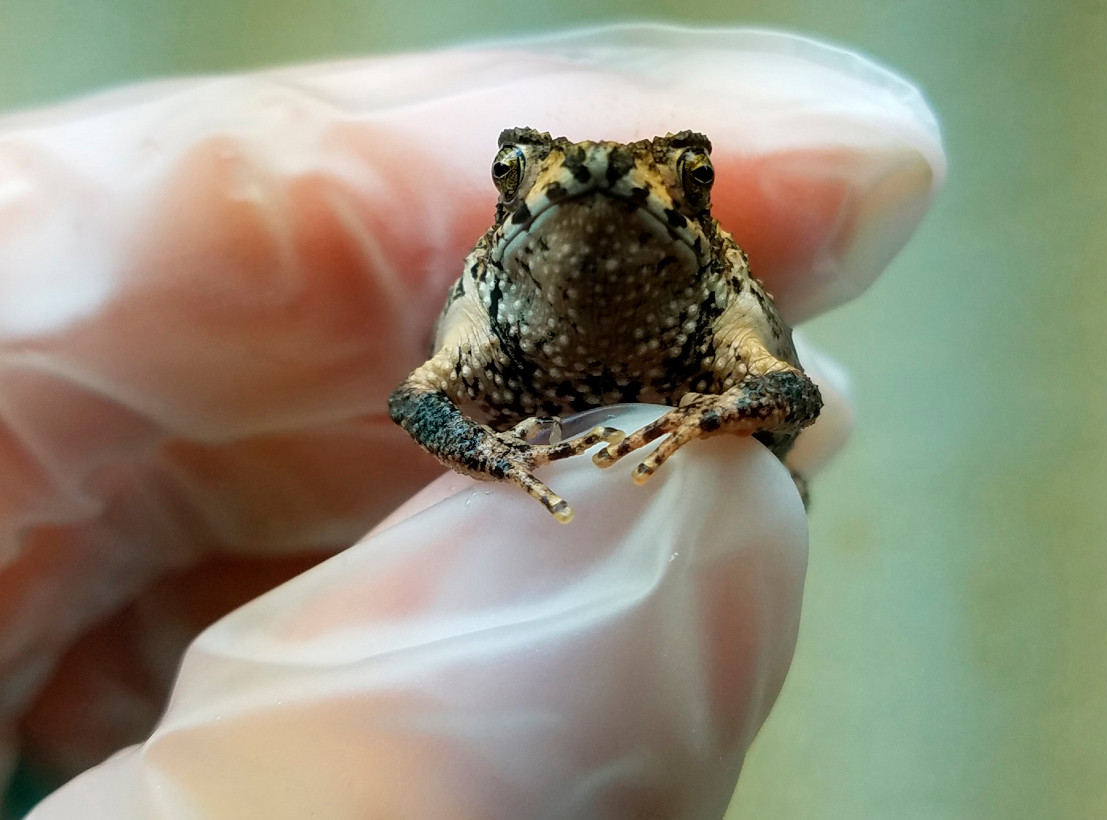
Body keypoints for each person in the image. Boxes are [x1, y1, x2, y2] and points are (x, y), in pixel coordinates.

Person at [0, 25, 942, 818]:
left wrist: (705, 417)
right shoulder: (486, 299)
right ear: (507, 199)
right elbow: (419, 399)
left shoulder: (721, 295)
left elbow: (790, 399)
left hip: (711, 465)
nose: (601, 185)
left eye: (686, 178)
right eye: (519, 173)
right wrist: (493, 457)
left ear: (697, 206)